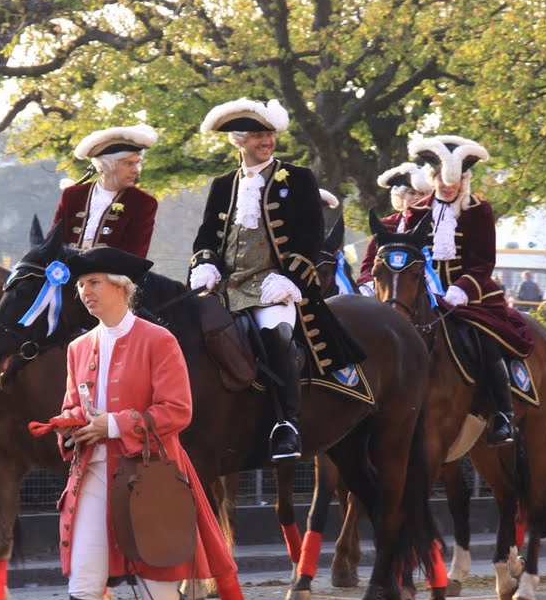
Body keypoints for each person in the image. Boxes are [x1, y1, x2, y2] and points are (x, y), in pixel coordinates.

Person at [40, 246, 234, 600]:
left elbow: (178, 411)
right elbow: (73, 405)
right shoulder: (77, 348)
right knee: (84, 580)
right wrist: (69, 427)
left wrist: (112, 425)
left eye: (95, 283)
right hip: (92, 475)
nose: (85, 292)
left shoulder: (159, 340)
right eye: (81, 285)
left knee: (159, 593)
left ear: (123, 288)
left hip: (148, 478)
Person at [188, 98, 363, 461]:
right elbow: (206, 237)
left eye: (268, 133)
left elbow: (311, 237)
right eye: (256, 135)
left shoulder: (297, 179)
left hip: (273, 287)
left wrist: (290, 280)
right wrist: (204, 264)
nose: (265, 140)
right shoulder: (223, 185)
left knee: (276, 336)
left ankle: (288, 424)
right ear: (239, 140)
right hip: (226, 289)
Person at [404, 134, 534, 444]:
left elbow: (483, 261)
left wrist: (461, 289)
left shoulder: (480, 210)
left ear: (465, 179)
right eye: (442, 180)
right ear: (433, 178)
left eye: (456, 181)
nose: (449, 187)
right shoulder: (417, 212)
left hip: (471, 296)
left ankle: (502, 412)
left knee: (485, 341)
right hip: (425, 294)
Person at [50, 124, 159, 257]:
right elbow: (51, 244)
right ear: (107, 165)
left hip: (111, 276)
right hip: (63, 274)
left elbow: (134, 256)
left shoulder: (143, 203)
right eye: (129, 163)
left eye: (137, 163)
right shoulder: (72, 195)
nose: (136, 170)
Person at [356, 161, 432, 292]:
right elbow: (368, 266)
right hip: (387, 291)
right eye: (412, 193)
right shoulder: (386, 225)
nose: (417, 198)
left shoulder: (441, 225)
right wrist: (368, 285)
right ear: (401, 196)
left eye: (422, 194)